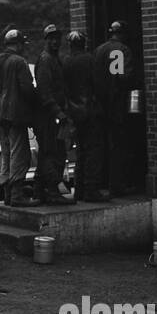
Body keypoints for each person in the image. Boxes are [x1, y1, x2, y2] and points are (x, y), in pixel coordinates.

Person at [0, 28, 39, 206]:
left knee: (6, 154)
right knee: (20, 155)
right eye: (22, 44)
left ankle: (8, 195)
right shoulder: (19, 62)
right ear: (18, 44)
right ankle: (17, 196)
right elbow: (27, 89)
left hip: (0, 114)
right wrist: (37, 100)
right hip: (15, 114)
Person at [63, 30, 109, 201]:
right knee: (94, 151)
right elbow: (99, 85)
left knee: (81, 151)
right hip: (90, 111)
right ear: (84, 43)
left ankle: (80, 189)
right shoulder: (90, 60)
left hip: (74, 113)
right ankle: (91, 189)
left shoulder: (65, 62)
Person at [93, 21, 137, 196]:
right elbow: (120, 77)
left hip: (99, 104)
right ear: (122, 34)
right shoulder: (120, 50)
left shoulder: (98, 50)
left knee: (100, 144)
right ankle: (116, 184)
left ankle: (101, 181)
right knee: (117, 145)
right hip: (116, 104)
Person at [33, 24, 72, 205]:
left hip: (51, 114)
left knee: (49, 152)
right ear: (46, 40)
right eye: (52, 38)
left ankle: (39, 190)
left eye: (58, 38)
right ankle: (52, 191)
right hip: (47, 116)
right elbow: (44, 91)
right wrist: (58, 111)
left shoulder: (55, 59)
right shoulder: (46, 60)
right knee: (52, 152)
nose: (56, 41)